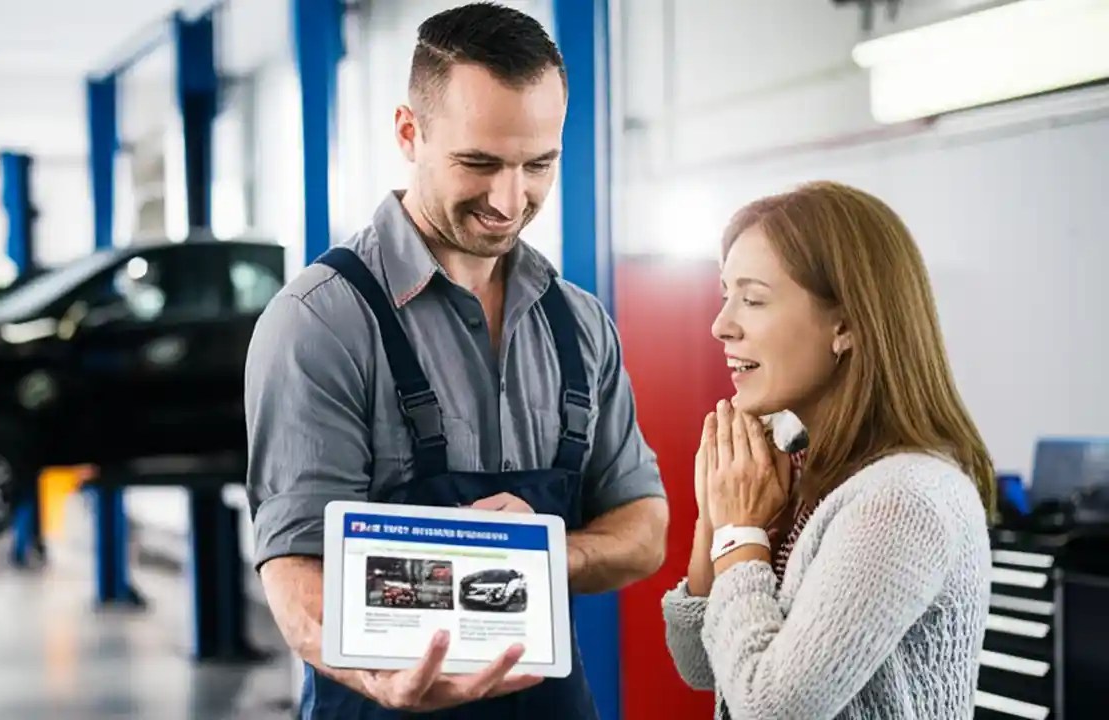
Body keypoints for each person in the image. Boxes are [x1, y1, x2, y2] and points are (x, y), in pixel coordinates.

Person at [245, 4, 668, 718]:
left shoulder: (580, 325)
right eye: (480, 163)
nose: (510, 200)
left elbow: (644, 527)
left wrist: (544, 552)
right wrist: (379, 673)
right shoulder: (321, 321)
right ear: (409, 132)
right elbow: (295, 569)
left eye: (538, 165)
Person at [661, 181, 995, 719]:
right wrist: (720, 516)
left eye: (752, 299)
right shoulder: (802, 464)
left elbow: (769, 708)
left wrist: (741, 534)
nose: (721, 324)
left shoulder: (905, 499)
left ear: (845, 325)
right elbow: (700, 665)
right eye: (725, 294)